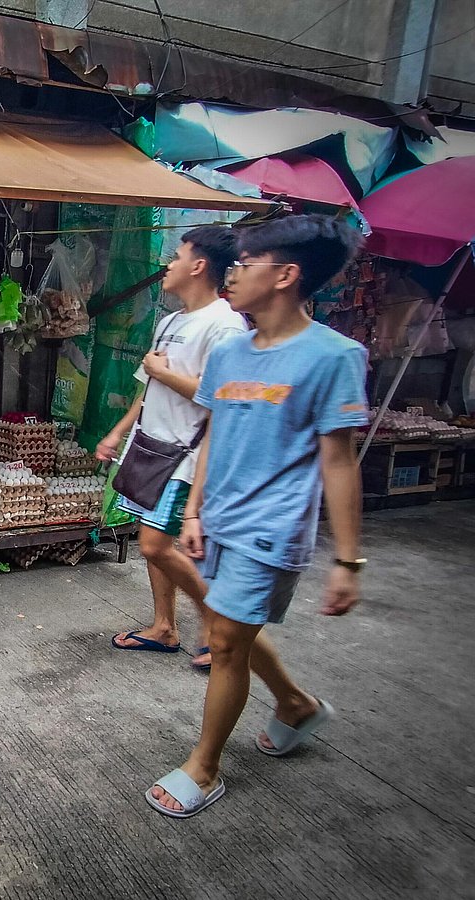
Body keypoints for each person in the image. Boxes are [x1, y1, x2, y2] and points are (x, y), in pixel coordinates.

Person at [146, 214, 368, 818]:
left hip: (272, 529)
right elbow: (216, 431)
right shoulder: (232, 351)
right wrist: (194, 509)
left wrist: (348, 561)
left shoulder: (334, 356)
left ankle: (206, 766)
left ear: (286, 275)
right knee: (230, 629)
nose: (233, 274)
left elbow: (340, 462)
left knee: (223, 642)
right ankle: (295, 704)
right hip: (218, 518)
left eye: (246, 265)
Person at [96, 226, 247, 670]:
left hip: (185, 456)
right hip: (151, 447)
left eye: (177, 256)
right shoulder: (171, 320)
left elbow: (223, 397)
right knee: (152, 542)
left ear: (199, 265)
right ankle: (164, 626)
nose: (168, 265)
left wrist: (161, 373)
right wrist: (118, 432)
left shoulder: (225, 326)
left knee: (154, 545)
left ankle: (219, 622)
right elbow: (148, 387)